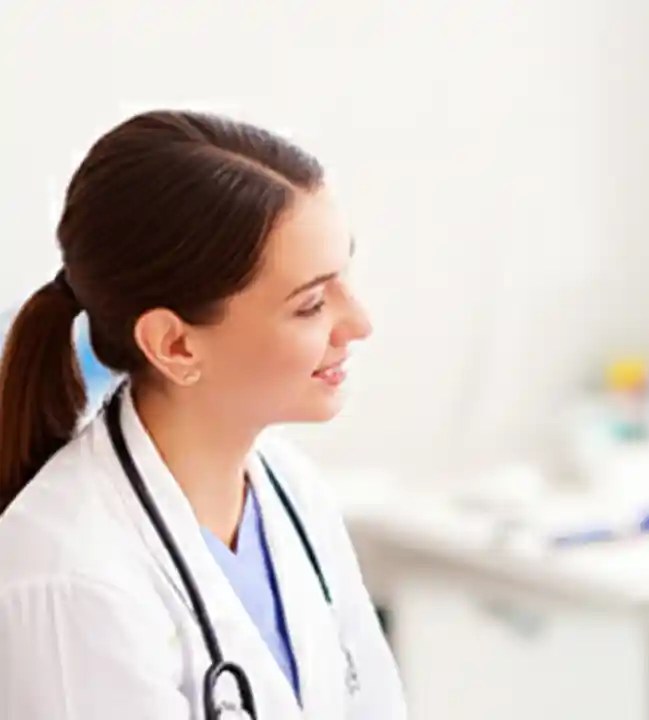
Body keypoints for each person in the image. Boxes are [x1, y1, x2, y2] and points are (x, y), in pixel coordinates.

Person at [0, 110, 407, 718]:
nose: (360, 324)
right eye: (313, 303)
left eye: (344, 277)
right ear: (176, 346)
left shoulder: (290, 491)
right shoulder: (70, 574)